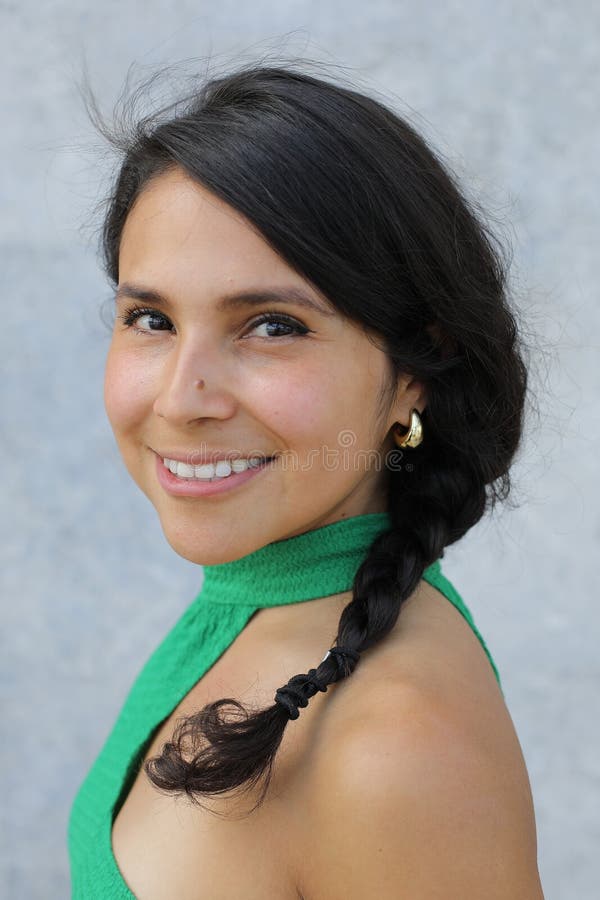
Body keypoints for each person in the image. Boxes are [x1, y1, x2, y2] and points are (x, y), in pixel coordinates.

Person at [68, 61, 545, 898]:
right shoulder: (259, 600)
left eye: (272, 326)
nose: (183, 399)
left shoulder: (397, 748)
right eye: (152, 318)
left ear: (413, 374)